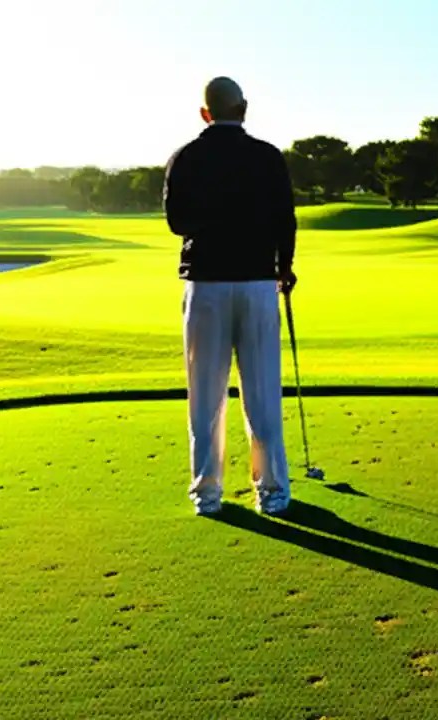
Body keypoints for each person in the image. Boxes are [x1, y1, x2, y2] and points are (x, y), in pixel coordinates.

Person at [163, 76, 297, 516]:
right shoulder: (267, 157)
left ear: (206, 113)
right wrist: (285, 268)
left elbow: (177, 223)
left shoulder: (185, 158)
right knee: (262, 394)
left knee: (205, 396)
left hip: (205, 285)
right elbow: (286, 221)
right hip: (259, 284)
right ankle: (272, 492)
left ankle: (208, 494)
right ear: (244, 109)